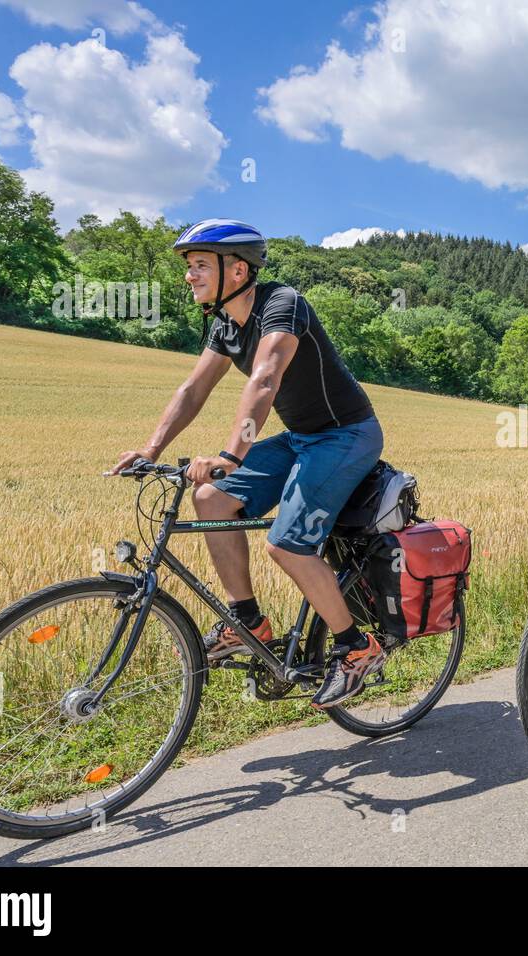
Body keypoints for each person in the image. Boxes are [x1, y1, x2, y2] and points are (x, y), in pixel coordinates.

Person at [107, 219, 386, 708]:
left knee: (289, 545)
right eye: (189, 267)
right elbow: (194, 389)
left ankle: (356, 648)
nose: (189, 277)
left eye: (198, 266)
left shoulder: (282, 304)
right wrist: (150, 451)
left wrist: (231, 455)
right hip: (301, 437)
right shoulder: (224, 324)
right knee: (210, 497)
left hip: (346, 435)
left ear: (236, 270)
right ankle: (248, 621)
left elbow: (264, 379)